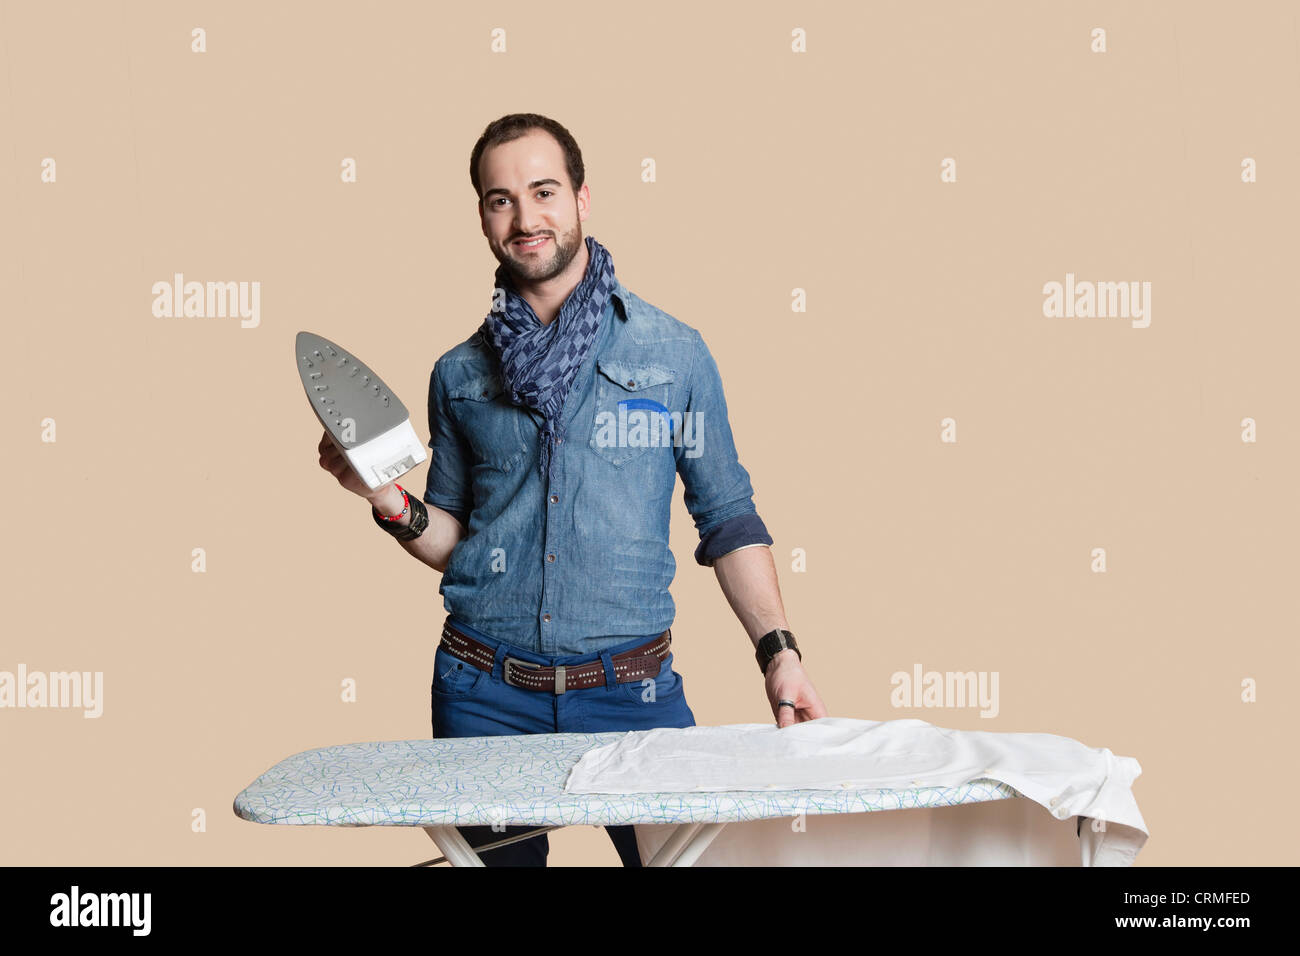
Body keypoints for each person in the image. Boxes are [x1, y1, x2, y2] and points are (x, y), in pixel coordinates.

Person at [317, 112, 827, 866]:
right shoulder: (457, 376)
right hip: (483, 694)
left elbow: (726, 517)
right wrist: (385, 499)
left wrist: (779, 652)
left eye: (544, 191)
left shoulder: (673, 354)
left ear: (584, 199)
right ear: (483, 217)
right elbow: (460, 539)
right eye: (501, 199)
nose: (525, 218)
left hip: (633, 696)